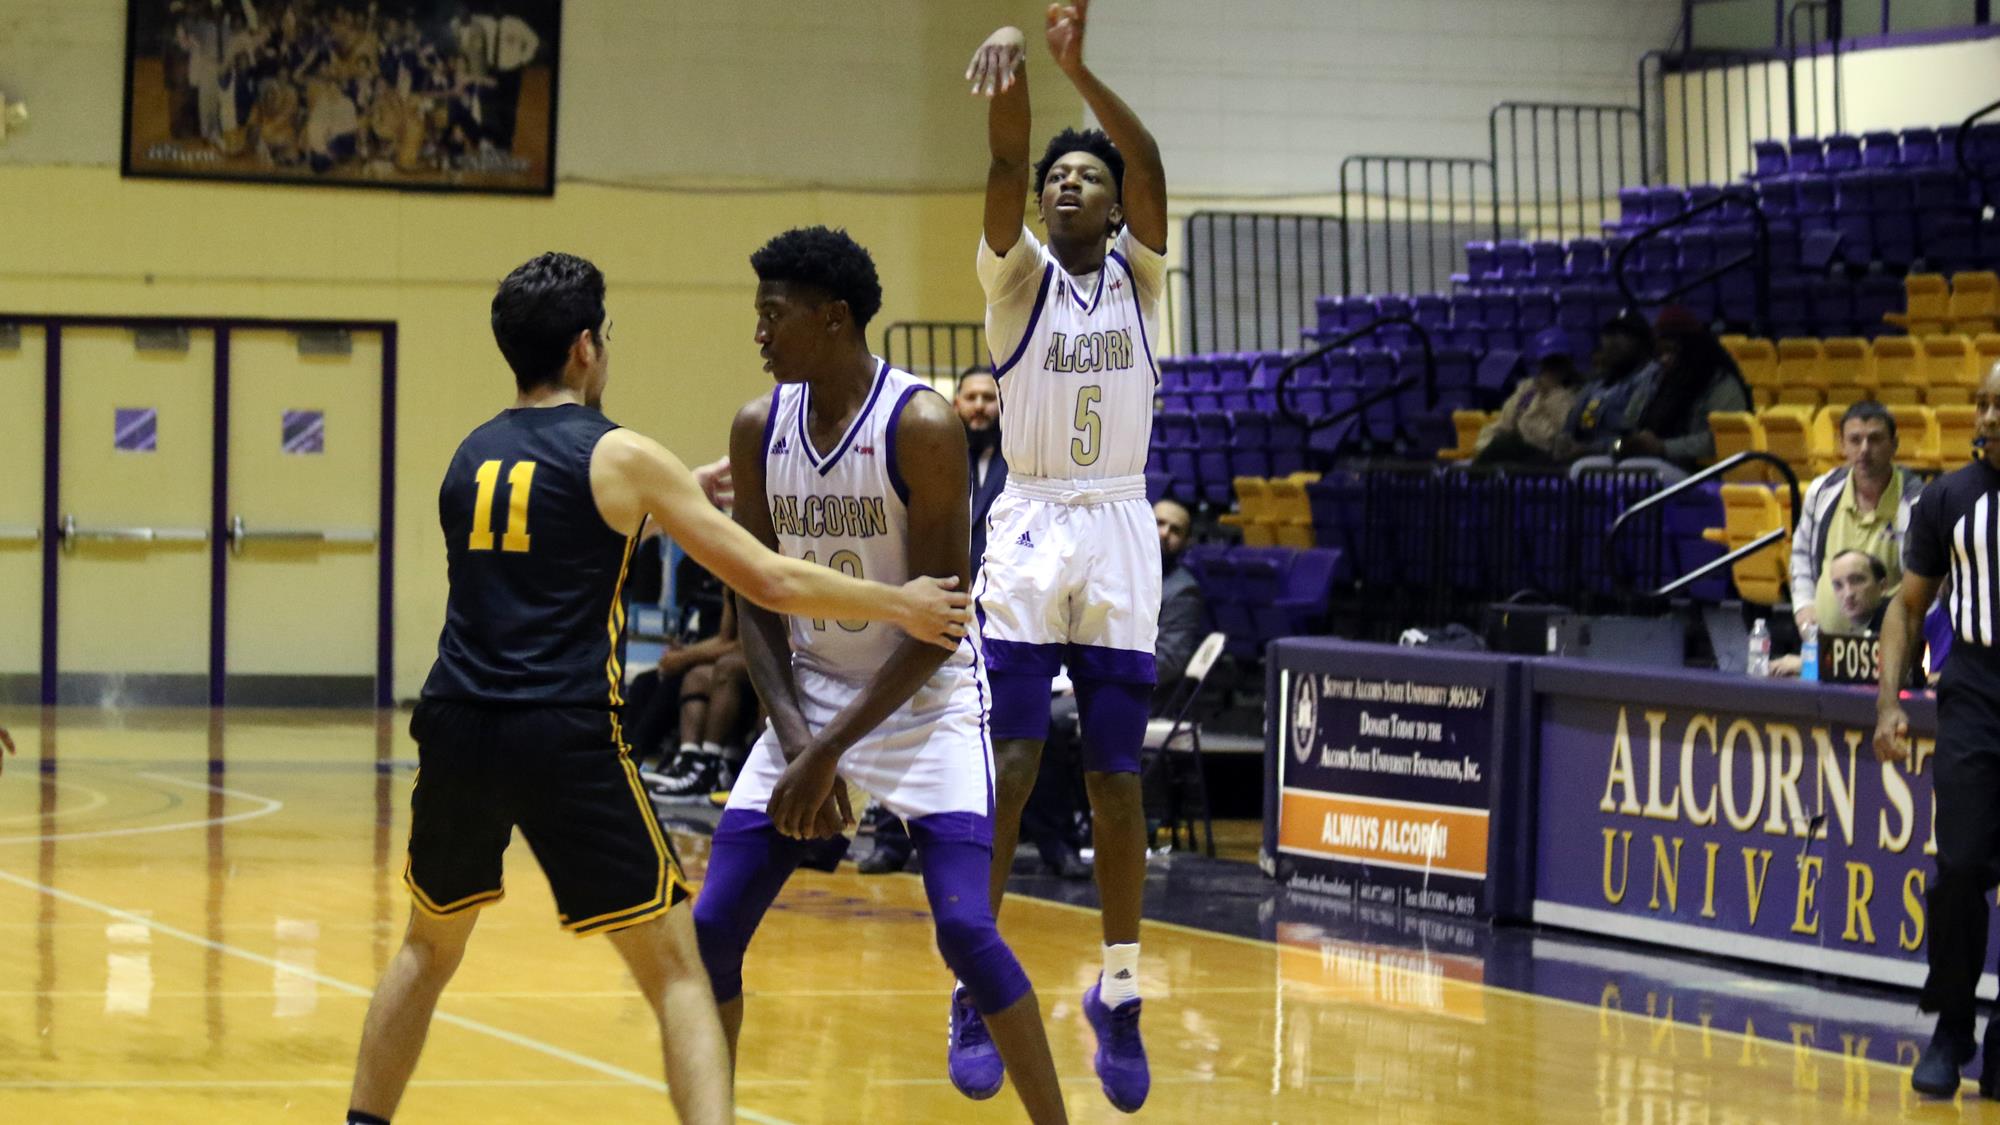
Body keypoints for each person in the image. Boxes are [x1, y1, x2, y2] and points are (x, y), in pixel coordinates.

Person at [342, 252, 970, 1125]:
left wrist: (682, 491)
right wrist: (895, 602)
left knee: (425, 946)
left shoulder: (469, 455)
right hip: (561, 731)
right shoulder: (622, 454)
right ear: (586, 347)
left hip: (455, 722)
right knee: (682, 971)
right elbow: (772, 582)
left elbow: (561, 543)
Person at [692, 227, 1068, 1124]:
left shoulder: (922, 425)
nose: (759, 334)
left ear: (832, 320)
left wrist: (830, 750)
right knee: (708, 930)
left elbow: (940, 623)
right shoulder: (757, 426)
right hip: (808, 700)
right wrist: (800, 742)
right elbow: (756, 598)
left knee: (968, 931)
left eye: (772, 316)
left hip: (924, 700)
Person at [961, 5, 1166, 1110]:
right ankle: (977, 978)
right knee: (1011, 768)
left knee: (1115, 781)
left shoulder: (1142, 280)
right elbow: (1002, 155)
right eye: (1059, 179)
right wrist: (1016, 79)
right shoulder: (1016, 284)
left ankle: (1119, 992)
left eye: (1090, 175)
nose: (1070, 184)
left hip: (1121, 529)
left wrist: (1081, 74)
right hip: (1034, 524)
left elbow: (1151, 164)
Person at [1875, 360, 2000, 1099]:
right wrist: (1889, 701)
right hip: (1978, 687)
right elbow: (1904, 607)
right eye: (1981, 404)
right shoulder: (1948, 498)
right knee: (1959, 868)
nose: (1987, 417)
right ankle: (1952, 1022)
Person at [863, 367, 1010, 875]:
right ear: (955, 404)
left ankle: (955, 840)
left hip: (992, 615)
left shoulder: (1016, 468)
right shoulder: (926, 459)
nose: (978, 406)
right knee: (894, 708)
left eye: (988, 398)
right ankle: (888, 839)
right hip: (926, 604)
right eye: (970, 397)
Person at [1026, 498, 1209, 876]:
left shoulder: (1182, 591)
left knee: (1048, 722)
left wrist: (1099, 675)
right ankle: (1043, 831)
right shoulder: (1121, 570)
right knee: (1022, 712)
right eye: (1159, 523)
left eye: (1175, 530)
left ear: (1186, 541)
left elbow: (1170, 660)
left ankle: (1060, 842)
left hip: (1140, 696)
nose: (1165, 534)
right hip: (1096, 682)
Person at [1789, 400, 1922, 636]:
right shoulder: (1821, 492)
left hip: (1890, 645)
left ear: (1894, 444)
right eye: (1855, 440)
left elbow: (1924, 584)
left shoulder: (1916, 502)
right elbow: (1800, 556)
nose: (1864, 449)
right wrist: (1804, 607)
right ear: (1842, 445)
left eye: (1875, 439)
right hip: (1824, 647)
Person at [1611, 306, 1751, 470]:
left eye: (1670, 352)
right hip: (1648, 461)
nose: (1663, 360)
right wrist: (1631, 441)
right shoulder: (1655, 380)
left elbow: (1722, 439)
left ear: (1692, 349)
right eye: (1659, 354)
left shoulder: (1720, 383)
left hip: (1697, 472)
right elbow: (1629, 423)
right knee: (1585, 468)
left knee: (1634, 472)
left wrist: (1663, 447)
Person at [1551, 312, 1659, 461]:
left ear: (1642, 343)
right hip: (1584, 458)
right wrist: (1563, 440)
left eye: (1624, 334)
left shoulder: (1648, 379)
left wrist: (1590, 450)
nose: (1613, 342)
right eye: (1610, 334)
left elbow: (1632, 439)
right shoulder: (1597, 383)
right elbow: (1571, 427)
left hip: (1622, 460)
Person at [1770, 549, 1891, 677]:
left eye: (1857, 580)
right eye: (1838, 585)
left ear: (1882, 587)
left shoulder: (1895, 618)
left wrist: (1807, 664)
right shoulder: (1856, 628)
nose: (1848, 593)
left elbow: (1886, 665)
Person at [1473, 327, 1583, 465]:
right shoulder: (1529, 389)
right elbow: (1506, 423)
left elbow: (1557, 434)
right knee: (1497, 447)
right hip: (1518, 451)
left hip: (1549, 455)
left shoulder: (1575, 394)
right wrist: (1485, 442)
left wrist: (1551, 394)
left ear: (1568, 363)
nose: (1551, 369)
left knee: (1505, 448)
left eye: (1557, 362)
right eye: (1548, 363)